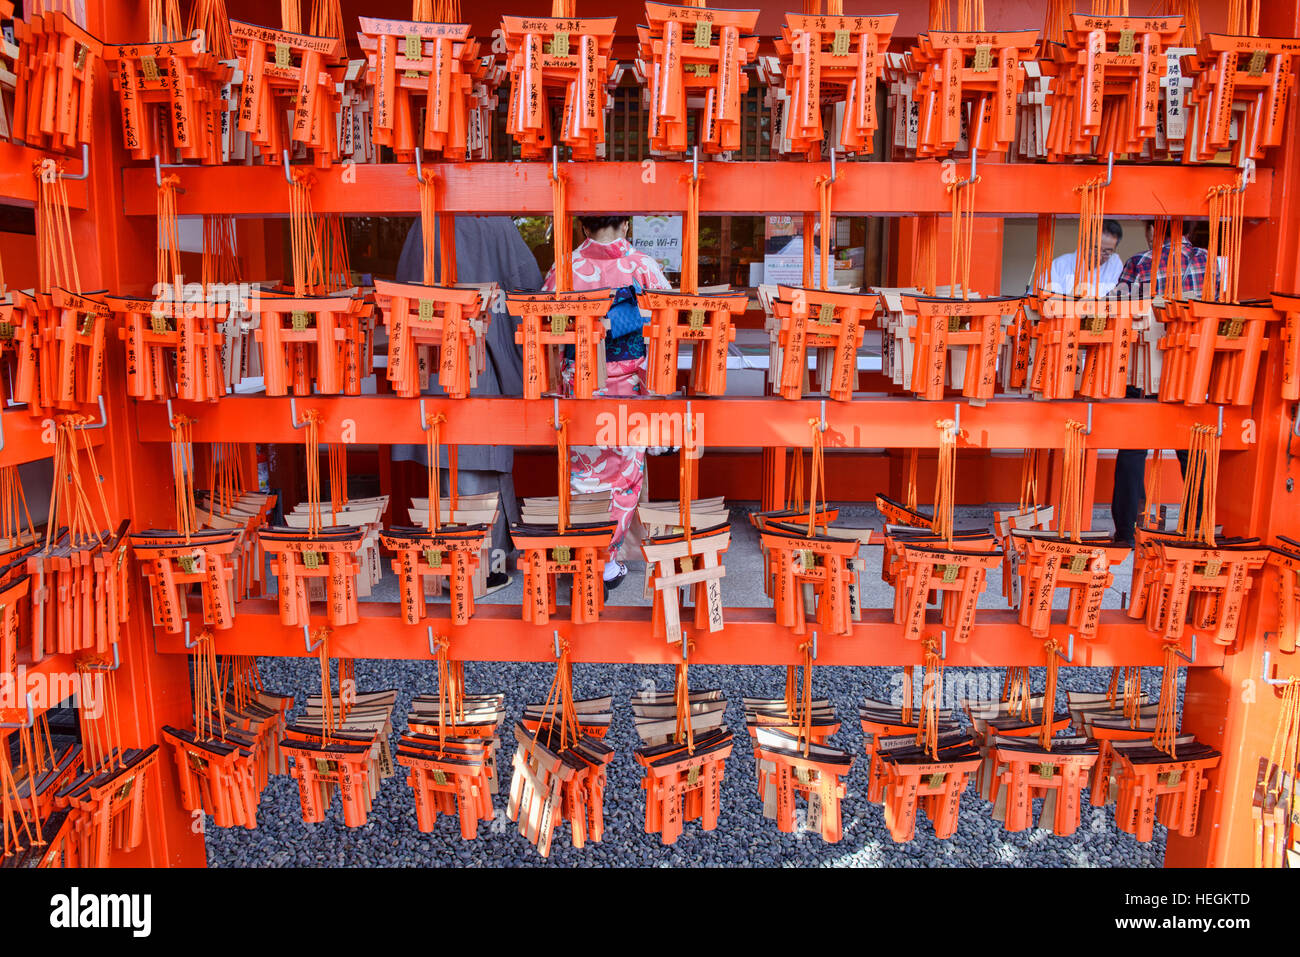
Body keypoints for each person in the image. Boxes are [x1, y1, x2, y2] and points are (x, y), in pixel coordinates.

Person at [391, 215, 544, 592]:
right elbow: (528, 289)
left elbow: (404, 288)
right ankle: (478, 570)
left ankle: (447, 560)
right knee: (480, 461)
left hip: (434, 357)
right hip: (482, 359)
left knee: (446, 462)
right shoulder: (498, 225)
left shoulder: (424, 222)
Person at [542, 215, 671, 594]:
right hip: (630, 386)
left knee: (582, 474)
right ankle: (607, 558)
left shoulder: (564, 268)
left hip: (580, 383)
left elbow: (547, 322)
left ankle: (585, 555)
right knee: (625, 478)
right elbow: (668, 325)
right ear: (626, 226)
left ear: (583, 228)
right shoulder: (643, 266)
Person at [1109, 221, 1212, 545]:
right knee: (1193, 451)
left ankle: (1128, 532)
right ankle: (1198, 528)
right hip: (1190, 373)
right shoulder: (1207, 261)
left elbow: (1115, 307)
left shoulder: (1140, 263)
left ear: (1155, 229)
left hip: (1144, 372)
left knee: (1133, 451)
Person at [1047, 219, 1124, 296]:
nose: (1099, 257)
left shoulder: (1115, 264)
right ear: (1084, 242)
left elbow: (1115, 297)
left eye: (1107, 252)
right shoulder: (1060, 265)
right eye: (1095, 249)